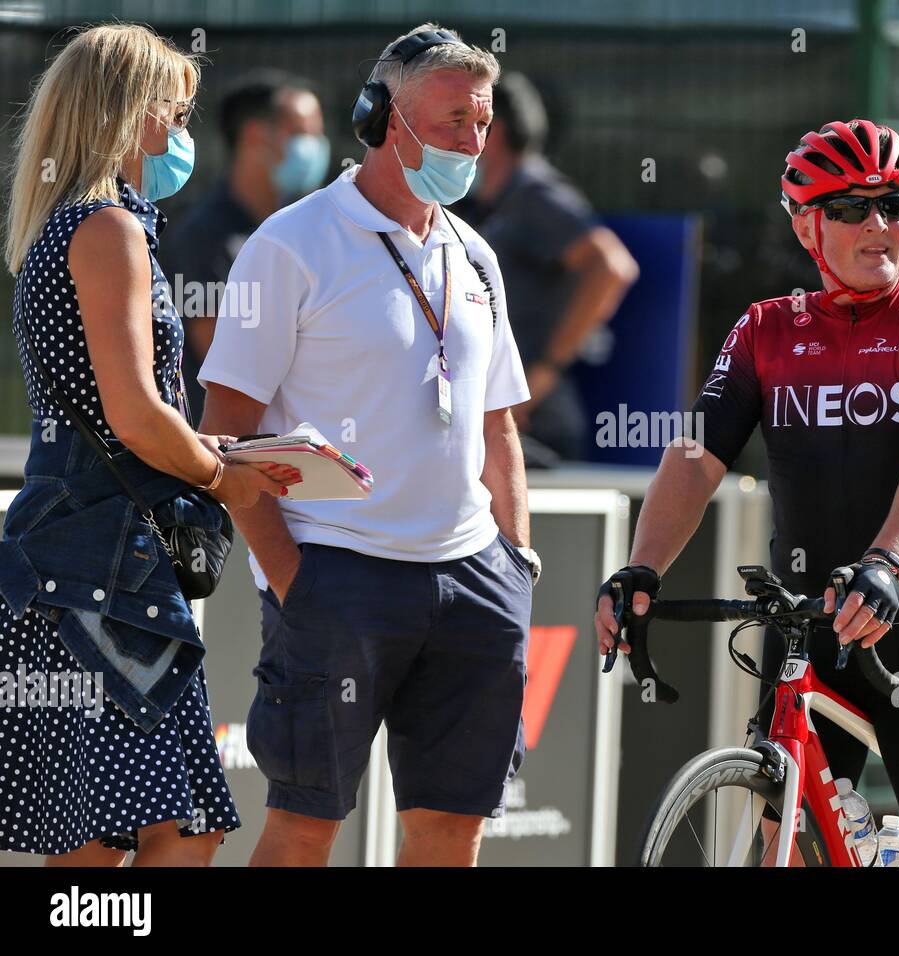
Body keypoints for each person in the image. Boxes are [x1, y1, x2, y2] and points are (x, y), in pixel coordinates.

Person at [594, 119, 899, 866]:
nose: (879, 224)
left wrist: (886, 563)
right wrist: (641, 567)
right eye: (852, 208)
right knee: (785, 845)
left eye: (894, 204)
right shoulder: (764, 331)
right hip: (810, 619)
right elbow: (695, 457)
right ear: (809, 227)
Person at [197, 22, 535, 867]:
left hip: (472, 578)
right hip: (338, 574)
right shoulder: (291, 244)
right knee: (307, 826)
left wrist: (516, 564)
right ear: (381, 117)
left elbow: (498, 423)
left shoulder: (476, 255)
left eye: (482, 122)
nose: (473, 141)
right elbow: (224, 434)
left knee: (453, 827)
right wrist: (296, 580)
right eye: (453, 120)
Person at [0, 23, 293, 865]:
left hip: (76, 557)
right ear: (127, 116)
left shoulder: (73, 226)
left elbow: (125, 410)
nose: (181, 134)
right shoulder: (106, 231)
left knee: (128, 831)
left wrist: (213, 454)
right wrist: (219, 473)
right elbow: (133, 414)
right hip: (99, 567)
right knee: (147, 831)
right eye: (173, 111)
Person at [458, 72, 638, 462]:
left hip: (534, 422)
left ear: (495, 131)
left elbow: (612, 267)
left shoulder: (535, 194)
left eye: (467, 123)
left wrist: (541, 375)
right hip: (490, 414)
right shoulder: (483, 203)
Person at [164, 70, 328, 422]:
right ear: (254, 137)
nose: (317, 148)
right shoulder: (202, 235)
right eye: (302, 135)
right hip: (230, 452)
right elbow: (222, 358)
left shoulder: (304, 231)